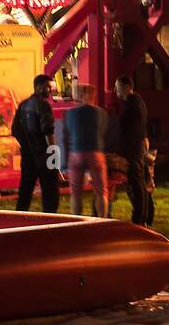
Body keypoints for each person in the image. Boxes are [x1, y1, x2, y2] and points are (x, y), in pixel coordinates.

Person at [12, 74, 59, 213]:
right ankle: (50, 220)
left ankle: (19, 218)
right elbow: (48, 131)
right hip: (44, 155)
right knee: (50, 191)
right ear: (39, 87)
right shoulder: (43, 106)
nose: (51, 90)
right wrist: (53, 154)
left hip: (27, 155)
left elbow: (15, 129)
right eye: (48, 87)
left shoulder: (23, 105)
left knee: (25, 190)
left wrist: (26, 144)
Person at [62, 86, 110, 216]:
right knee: (101, 191)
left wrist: (66, 159)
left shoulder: (70, 113)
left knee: (76, 192)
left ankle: (76, 222)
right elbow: (104, 132)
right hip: (96, 152)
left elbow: (66, 135)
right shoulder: (101, 113)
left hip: (76, 153)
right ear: (93, 96)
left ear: (81, 95)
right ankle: (102, 220)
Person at [115, 74, 151, 225]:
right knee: (140, 182)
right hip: (137, 146)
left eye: (117, 87)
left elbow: (129, 129)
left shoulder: (132, 106)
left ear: (126, 87)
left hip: (133, 148)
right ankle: (146, 215)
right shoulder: (138, 102)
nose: (115, 90)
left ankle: (139, 218)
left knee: (137, 183)